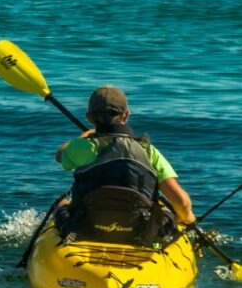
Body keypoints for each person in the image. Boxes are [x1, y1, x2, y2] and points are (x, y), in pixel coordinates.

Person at [53, 85, 196, 242]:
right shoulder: (149, 151)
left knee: (63, 202)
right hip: (138, 231)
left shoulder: (82, 147)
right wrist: (187, 218)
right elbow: (181, 201)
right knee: (162, 204)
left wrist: (84, 137)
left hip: (87, 227)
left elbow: (60, 155)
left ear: (89, 118)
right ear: (126, 116)